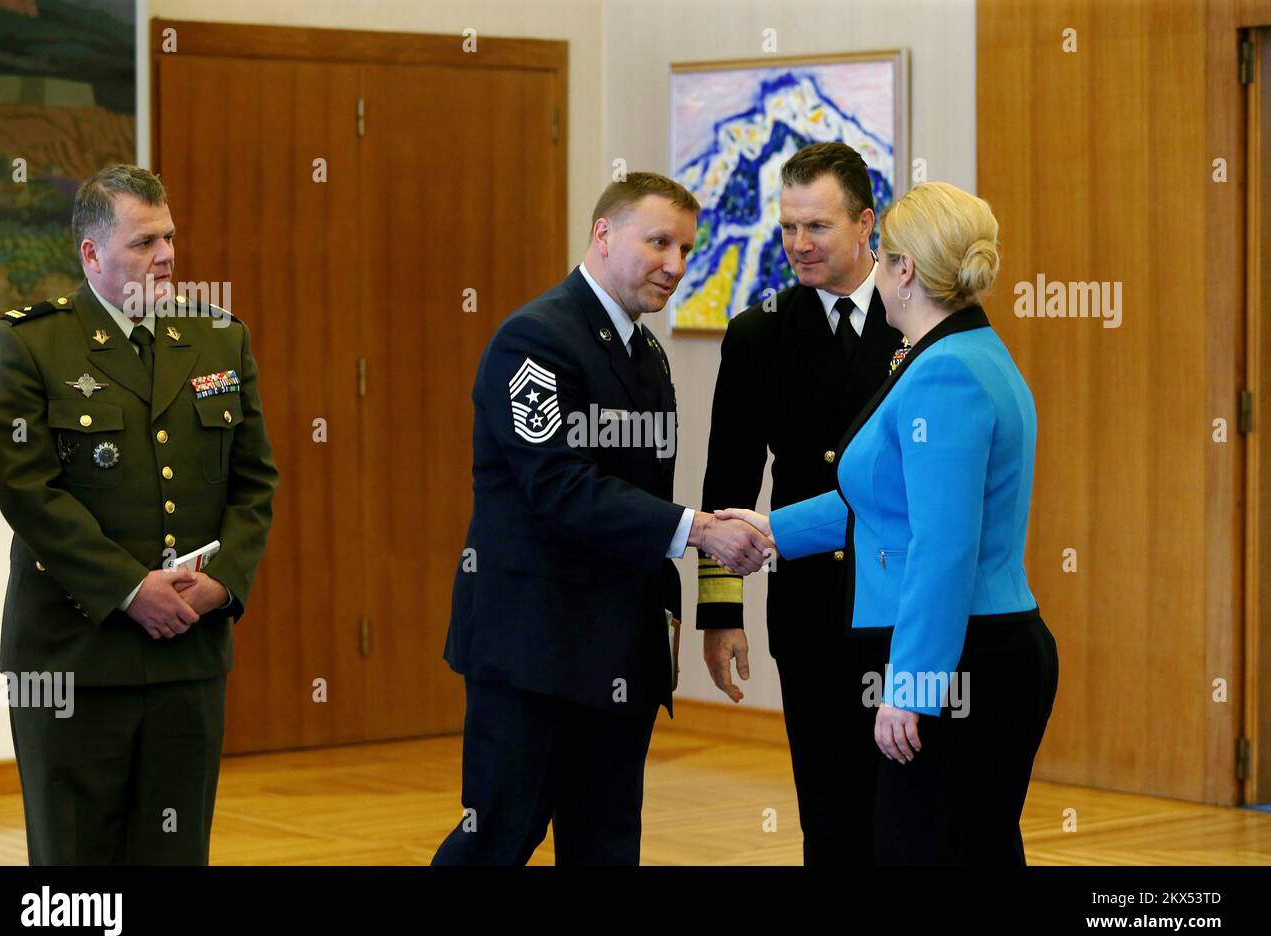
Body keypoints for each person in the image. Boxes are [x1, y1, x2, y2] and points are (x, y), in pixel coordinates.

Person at [432, 172, 772, 866]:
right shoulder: (534, 340)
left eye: (686, 247)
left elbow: (636, 490)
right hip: (536, 647)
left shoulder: (644, 352)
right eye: (658, 242)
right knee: (498, 838)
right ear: (604, 233)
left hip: (620, 648)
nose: (675, 265)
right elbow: (558, 485)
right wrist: (699, 530)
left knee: (606, 843)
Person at [720, 182, 1058, 865]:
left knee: (925, 851)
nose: (873, 271)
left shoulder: (945, 375)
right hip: (978, 648)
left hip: (966, 655)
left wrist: (912, 685)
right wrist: (770, 528)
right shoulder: (960, 355)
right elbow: (880, 498)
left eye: (881, 256)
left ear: (904, 269)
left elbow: (943, 547)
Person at [0, 164, 279, 865]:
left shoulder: (217, 338)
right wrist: (128, 588)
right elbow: (27, 489)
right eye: (145, 242)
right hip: (74, 661)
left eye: (170, 237)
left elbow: (255, 478)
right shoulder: (31, 344)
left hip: (188, 655)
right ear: (92, 253)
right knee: (77, 867)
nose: (168, 255)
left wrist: (225, 581)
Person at [699, 141, 903, 865]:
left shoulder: (915, 318)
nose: (797, 244)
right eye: (786, 227)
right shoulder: (759, 332)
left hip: (903, 605)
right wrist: (721, 615)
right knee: (830, 815)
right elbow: (726, 485)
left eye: (816, 226)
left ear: (865, 224)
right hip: (811, 610)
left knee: (910, 815)